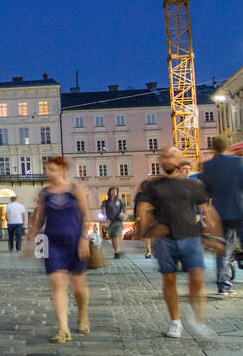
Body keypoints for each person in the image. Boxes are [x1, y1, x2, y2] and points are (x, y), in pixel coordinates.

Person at [135, 147, 223, 338]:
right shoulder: (153, 186)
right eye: (164, 156)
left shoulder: (192, 185)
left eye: (172, 156)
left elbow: (207, 209)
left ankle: (196, 318)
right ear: (160, 160)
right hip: (165, 238)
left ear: (179, 160)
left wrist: (214, 235)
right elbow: (143, 207)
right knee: (169, 279)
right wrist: (146, 230)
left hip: (190, 235)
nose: (167, 160)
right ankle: (175, 322)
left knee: (197, 278)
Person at [26, 156, 90, 343]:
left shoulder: (75, 190)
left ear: (63, 170)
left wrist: (84, 239)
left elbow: (86, 215)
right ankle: (63, 328)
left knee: (78, 287)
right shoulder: (45, 193)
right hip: (52, 243)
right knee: (57, 284)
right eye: (47, 169)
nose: (49, 173)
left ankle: (83, 314)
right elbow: (39, 218)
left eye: (52, 169)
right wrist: (31, 235)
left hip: (76, 242)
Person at [198, 136, 243, 296]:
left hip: (219, 214)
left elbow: (204, 192)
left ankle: (223, 286)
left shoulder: (208, 167)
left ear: (213, 148)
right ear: (226, 147)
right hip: (240, 211)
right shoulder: (238, 163)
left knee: (222, 249)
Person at [100, 187, 126, 260]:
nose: (114, 192)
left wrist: (123, 213)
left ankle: (117, 252)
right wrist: (105, 217)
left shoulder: (120, 201)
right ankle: (117, 252)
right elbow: (103, 209)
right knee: (113, 238)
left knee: (116, 236)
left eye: (116, 191)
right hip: (110, 221)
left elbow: (124, 208)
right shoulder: (106, 201)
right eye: (112, 191)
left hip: (118, 220)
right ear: (109, 192)